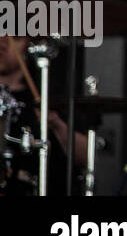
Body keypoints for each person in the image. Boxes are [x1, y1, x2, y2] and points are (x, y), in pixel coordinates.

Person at [0, 36, 88, 195]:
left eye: (15, 38)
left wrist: (56, 124)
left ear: (29, 45)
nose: (2, 42)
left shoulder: (50, 94)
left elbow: (87, 157)